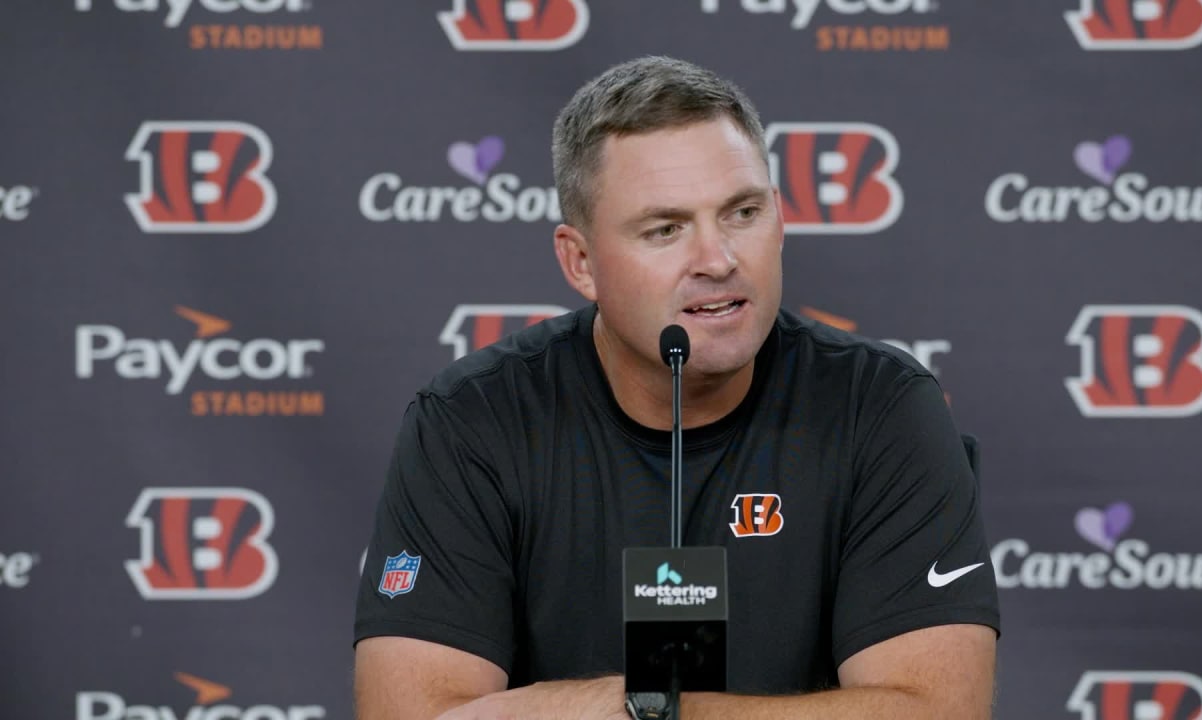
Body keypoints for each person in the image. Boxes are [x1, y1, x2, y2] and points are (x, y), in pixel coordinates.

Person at [353, 55, 1000, 719]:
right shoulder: (472, 422)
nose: (718, 259)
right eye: (665, 229)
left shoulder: (881, 408)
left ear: (779, 218)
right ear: (580, 262)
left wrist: (643, 709)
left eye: (742, 212)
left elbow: (939, 711)